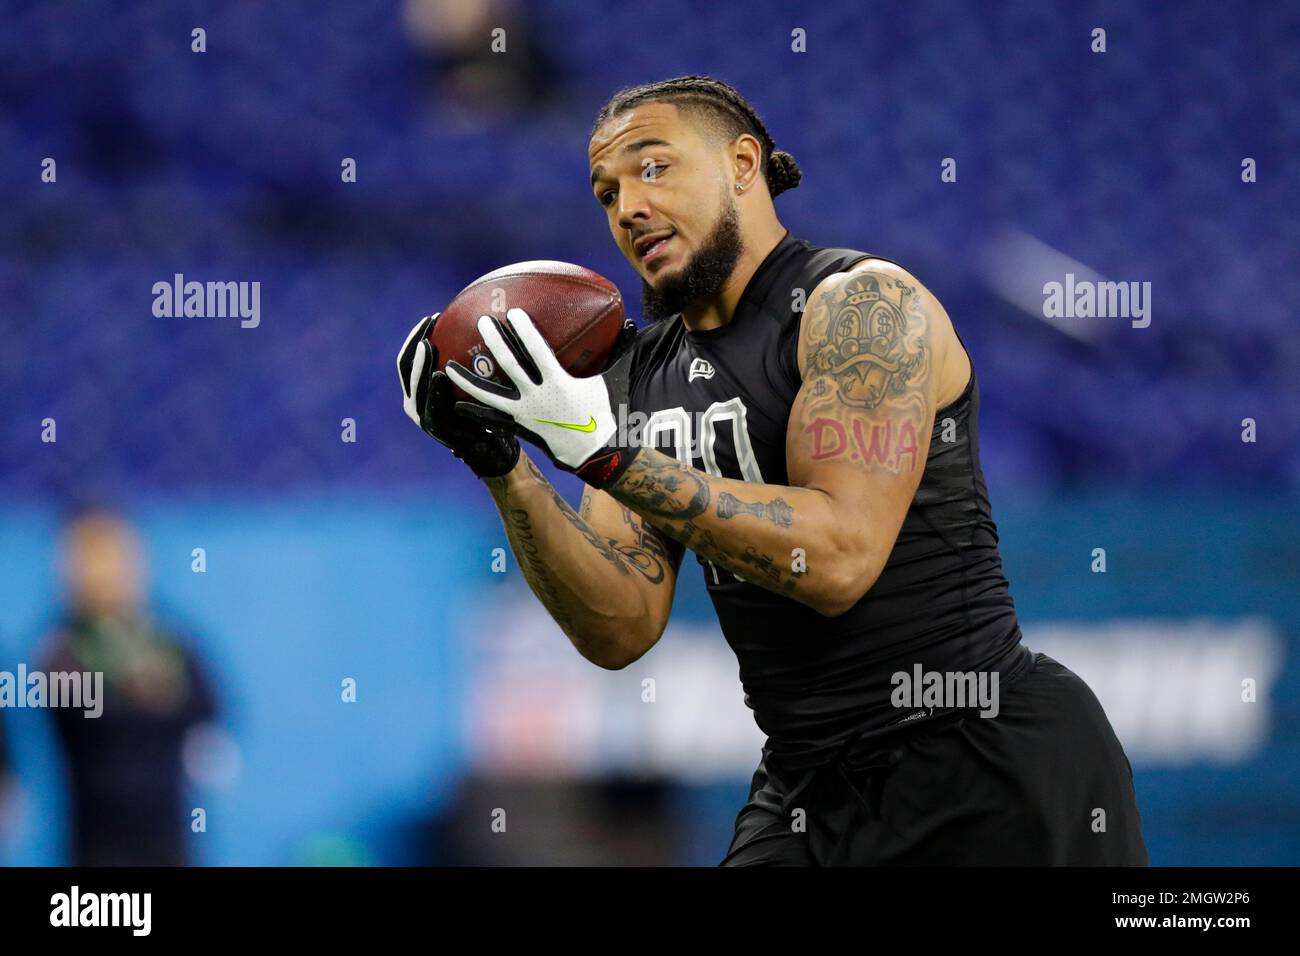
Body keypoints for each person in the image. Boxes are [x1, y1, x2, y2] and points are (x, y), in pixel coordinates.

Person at [397, 75, 1146, 865]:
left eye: (653, 169)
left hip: (980, 758)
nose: (628, 207)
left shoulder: (862, 307)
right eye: (606, 192)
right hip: (805, 784)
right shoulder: (630, 380)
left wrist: (608, 456)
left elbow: (839, 559)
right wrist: (503, 462)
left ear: (743, 165)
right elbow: (619, 626)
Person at [43, 508, 217, 866]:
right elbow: (80, 711)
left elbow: (208, 703)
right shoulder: (62, 646)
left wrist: (157, 689)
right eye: (92, 559)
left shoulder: (163, 638)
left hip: (166, 832)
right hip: (99, 839)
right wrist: (137, 690)